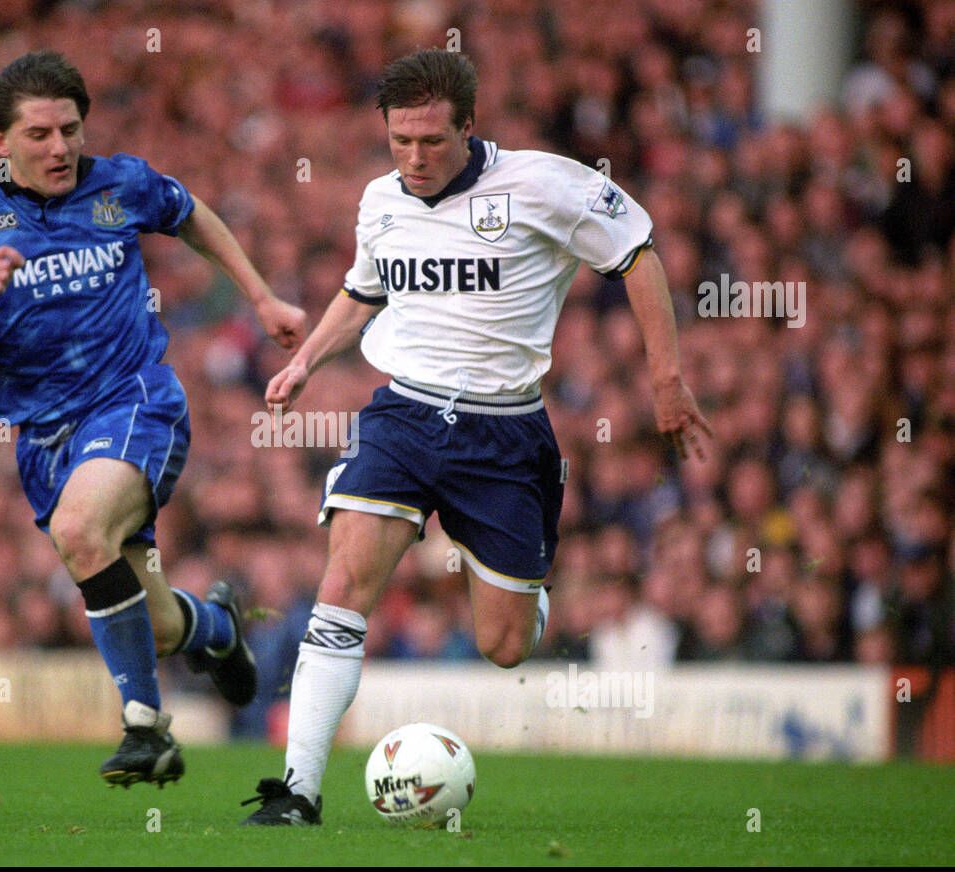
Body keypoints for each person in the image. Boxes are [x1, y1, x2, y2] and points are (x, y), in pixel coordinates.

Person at [239, 50, 711, 825]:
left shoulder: (545, 184)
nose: (415, 158)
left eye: (432, 141)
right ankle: (299, 791)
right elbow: (364, 294)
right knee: (344, 582)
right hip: (403, 416)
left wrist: (665, 376)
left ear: (469, 125)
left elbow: (640, 254)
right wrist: (306, 366)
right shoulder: (380, 200)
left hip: (504, 435)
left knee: (505, 645)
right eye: (400, 141)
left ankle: (530, 600)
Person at [0, 51, 305, 788]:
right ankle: (217, 630)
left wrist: (261, 298)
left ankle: (145, 729)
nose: (59, 147)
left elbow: (192, 216)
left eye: (69, 129)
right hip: (45, 441)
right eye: (38, 135)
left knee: (80, 532)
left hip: (135, 404)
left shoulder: (121, 183)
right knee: (151, 624)